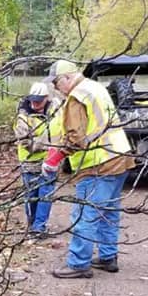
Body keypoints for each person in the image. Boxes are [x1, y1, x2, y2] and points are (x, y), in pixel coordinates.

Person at [41, 60, 135, 278]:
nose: (55, 88)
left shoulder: (76, 97)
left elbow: (75, 139)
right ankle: (107, 256)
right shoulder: (95, 87)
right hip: (120, 156)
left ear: (67, 78)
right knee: (109, 212)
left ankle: (78, 263)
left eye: (56, 83)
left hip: (98, 163)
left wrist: (53, 159)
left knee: (85, 213)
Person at [13, 82, 58, 236]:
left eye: (39, 100)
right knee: (31, 196)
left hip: (50, 162)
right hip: (29, 164)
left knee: (45, 196)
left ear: (47, 98)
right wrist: (45, 146)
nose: (35, 103)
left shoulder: (55, 112)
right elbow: (24, 141)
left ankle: (39, 227)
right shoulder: (23, 117)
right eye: (33, 100)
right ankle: (32, 224)